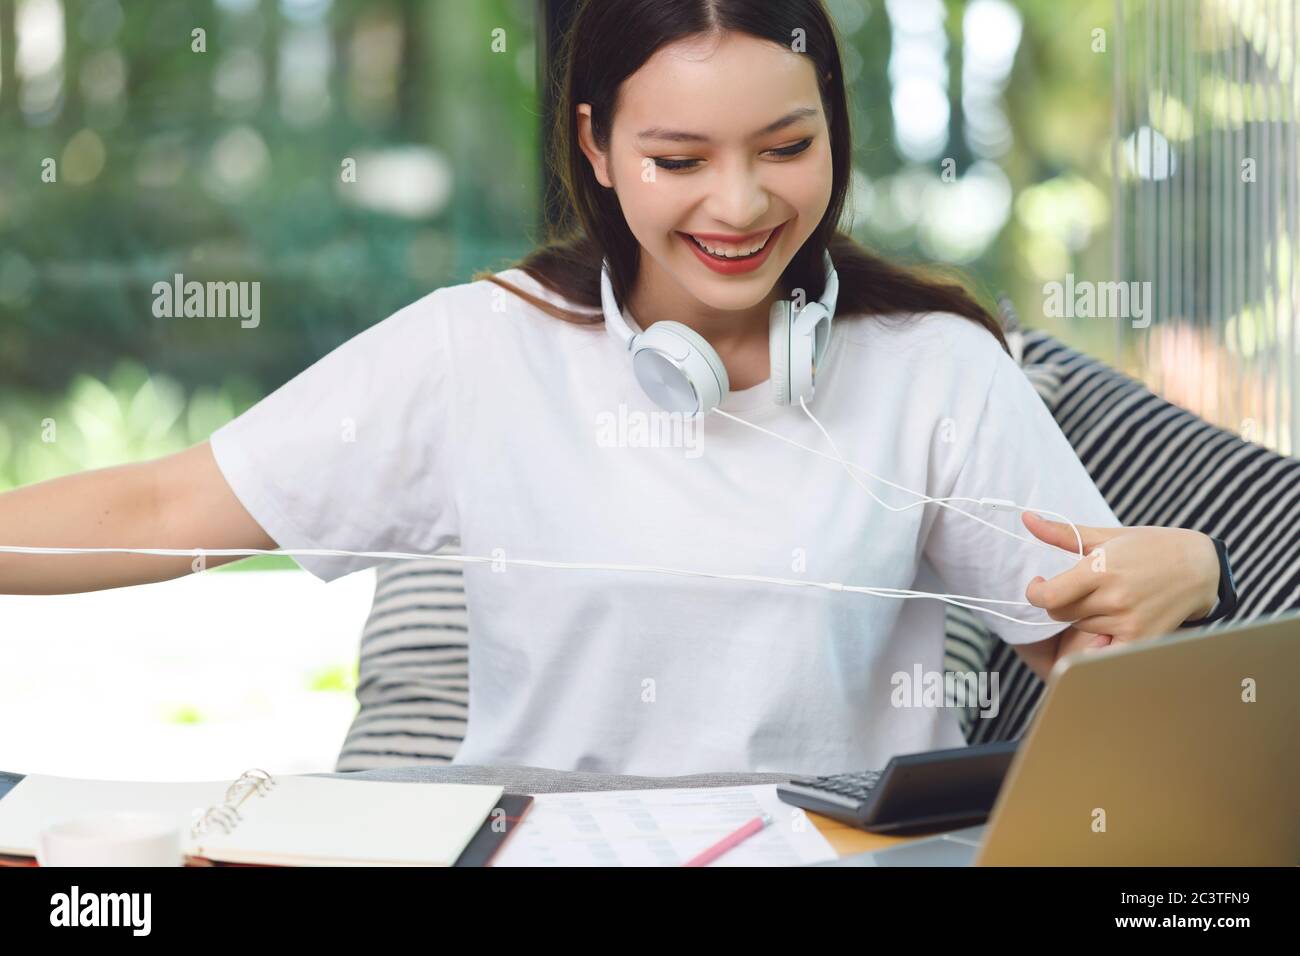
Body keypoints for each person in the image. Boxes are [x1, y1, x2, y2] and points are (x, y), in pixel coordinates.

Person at [0, 0, 1223, 776]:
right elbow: (170, 511)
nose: (740, 206)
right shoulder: (473, 351)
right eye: (678, 159)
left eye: (787, 148)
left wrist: (1190, 574)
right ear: (593, 146)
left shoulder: (937, 370)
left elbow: (1092, 646)